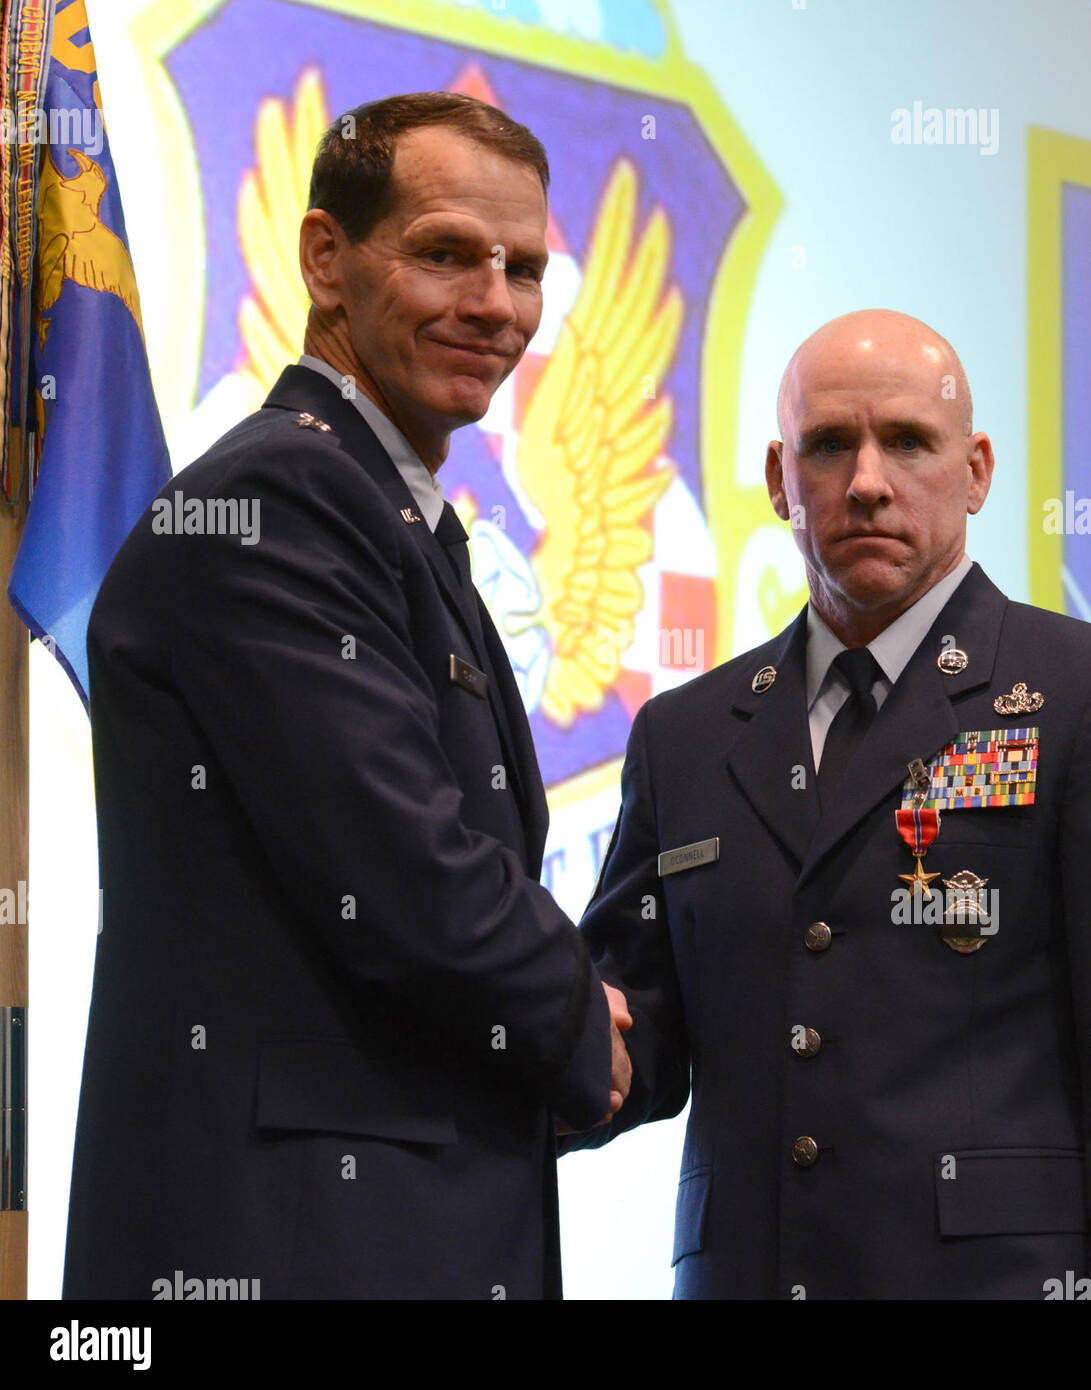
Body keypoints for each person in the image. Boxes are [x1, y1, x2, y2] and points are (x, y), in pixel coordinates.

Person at [63, 91, 631, 1301]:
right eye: (443, 254)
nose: (495, 306)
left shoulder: (386, 511)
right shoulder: (284, 498)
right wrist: (587, 1021)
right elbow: (404, 873)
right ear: (325, 256)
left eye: (523, 269)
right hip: (294, 1243)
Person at [565, 309, 1091, 1299]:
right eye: (829, 445)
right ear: (777, 479)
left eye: (908, 442)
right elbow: (639, 1027)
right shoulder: (687, 735)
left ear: (974, 471)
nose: (866, 481)